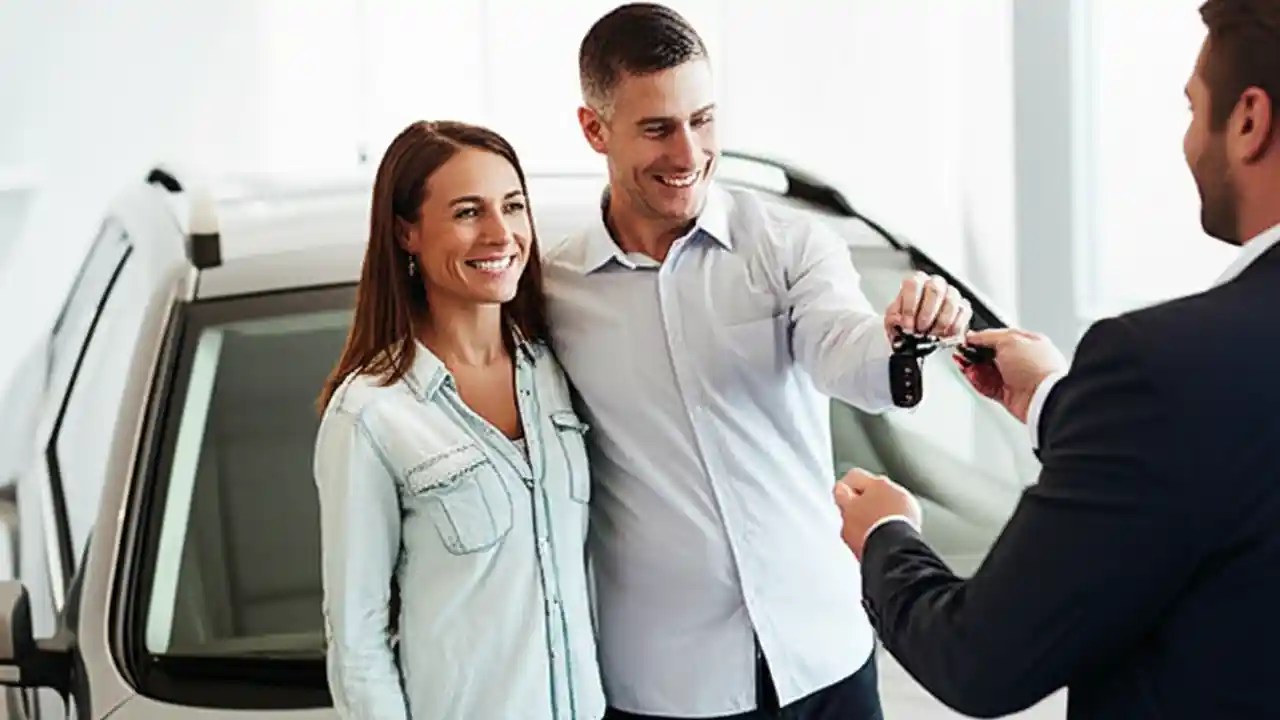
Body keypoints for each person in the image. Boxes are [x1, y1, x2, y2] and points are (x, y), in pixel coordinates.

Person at [833, 1, 1280, 718]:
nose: (1190, 141)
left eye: (1194, 110)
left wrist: (887, 536)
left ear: (1250, 121)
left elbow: (977, 658)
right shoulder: (1185, 377)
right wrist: (1055, 399)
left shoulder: (1159, 365)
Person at [542, 4, 972, 718]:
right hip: (668, 688)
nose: (688, 154)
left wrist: (902, 337)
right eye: (657, 128)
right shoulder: (553, 296)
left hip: (826, 660)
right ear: (594, 129)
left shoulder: (787, 246)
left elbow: (846, 351)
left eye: (703, 120)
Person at [313, 120, 605, 720]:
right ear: (407, 232)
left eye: (513, 206)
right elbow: (357, 644)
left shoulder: (559, 371)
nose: (501, 234)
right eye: (469, 212)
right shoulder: (370, 415)